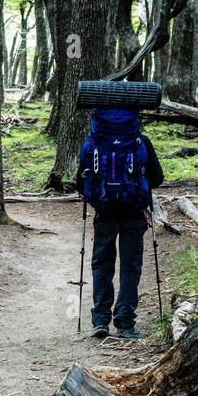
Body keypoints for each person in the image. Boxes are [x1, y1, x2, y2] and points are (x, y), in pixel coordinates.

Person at [76, 107, 164, 339]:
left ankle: (101, 319)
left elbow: (81, 182)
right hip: (134, 212)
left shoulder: (93, 142)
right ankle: (125, 322)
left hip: (104, 213)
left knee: (102, 265)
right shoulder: (140, 142)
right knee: (130, 266)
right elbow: (157, 178)